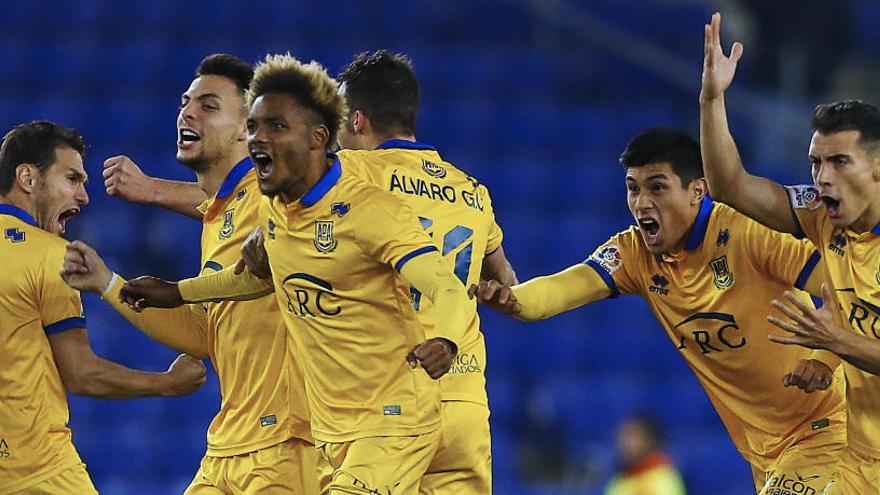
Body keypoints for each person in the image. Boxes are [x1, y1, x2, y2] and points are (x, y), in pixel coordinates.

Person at [100, 49, 518, 495]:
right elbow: (509, 285)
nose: (261, 140)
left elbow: (245, 199)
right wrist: (180, 291)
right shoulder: (471, 190)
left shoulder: (349, 178)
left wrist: (154, 191)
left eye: (275, 128)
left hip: (391, 403)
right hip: (462, 399)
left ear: (347, 125)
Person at [473, 127, 846, 494]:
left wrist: (823, 359)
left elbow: (848, 291)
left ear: (696, 191)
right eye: (633, 188)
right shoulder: (635, 254)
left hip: (823, 428)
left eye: (657, 187)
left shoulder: (747, 230)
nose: (641, 202)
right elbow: (565, 287)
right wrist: (514, 299)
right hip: (764, 453)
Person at [62, 54, 318, 494]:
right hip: (230, 444)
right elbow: (203, 334)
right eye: (186, 102)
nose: (187, 111)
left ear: (248, 127)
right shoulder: (220, 215)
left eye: (209, 105)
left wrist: (154, 191)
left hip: (287, 445)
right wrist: (109, 283)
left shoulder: (277, 200)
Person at [700, 11, 880, 493]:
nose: (822, 178)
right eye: (816, 163)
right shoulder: (824, 217)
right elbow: (731, 186)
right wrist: (713, 100)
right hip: (862, 465)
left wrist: (835, 345)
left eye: (839, 162)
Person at [0, 120, 206, 494]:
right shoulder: (51, 257)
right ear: (28, 178)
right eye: (72, 179)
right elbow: (82, 374)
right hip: (37, 473)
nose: (84, 197)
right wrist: (167, 383)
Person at [604, 416, 686, 495]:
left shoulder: (665, 477)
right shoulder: (617, 482)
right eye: (622, 436)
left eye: (632, 436)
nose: (624, 443)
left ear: (649, 440)